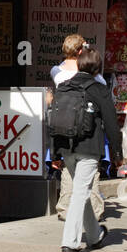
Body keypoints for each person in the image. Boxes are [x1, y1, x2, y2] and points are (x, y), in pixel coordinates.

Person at [53, 46, 122, 252]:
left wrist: (55, 153)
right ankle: (70, 242)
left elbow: (54, 120)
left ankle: (95, 235)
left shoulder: (63, 87)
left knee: (80, 192)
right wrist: (117, 154)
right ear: (96, 69)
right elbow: (112, 123)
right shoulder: (99, 89)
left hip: (66, 147)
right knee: (80, 194)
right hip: (89, 148)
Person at [49, 33, 87, 222]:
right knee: (89, 167)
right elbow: (101, 85)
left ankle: (64, 207)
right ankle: (92, 209)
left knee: (68, 165)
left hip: (63, 121)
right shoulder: (88, 73)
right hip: (83, 121)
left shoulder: (56, 71)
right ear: (80, 51)